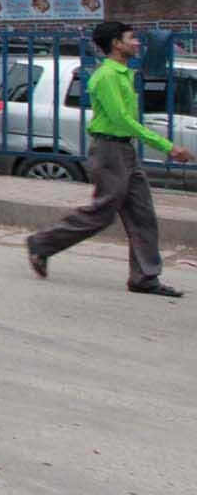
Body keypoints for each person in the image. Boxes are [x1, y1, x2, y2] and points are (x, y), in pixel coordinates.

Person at [27, 22, 193, 296]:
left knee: (143, 215)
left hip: (123, 150)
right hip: (109, 151)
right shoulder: (106, 76)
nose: (137, 43)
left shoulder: (124, 73)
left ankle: (145, 277)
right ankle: (42, 243)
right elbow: (121, 119)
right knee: (102, 212)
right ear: (116, 44)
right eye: (132, 38)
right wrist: (167, 146)